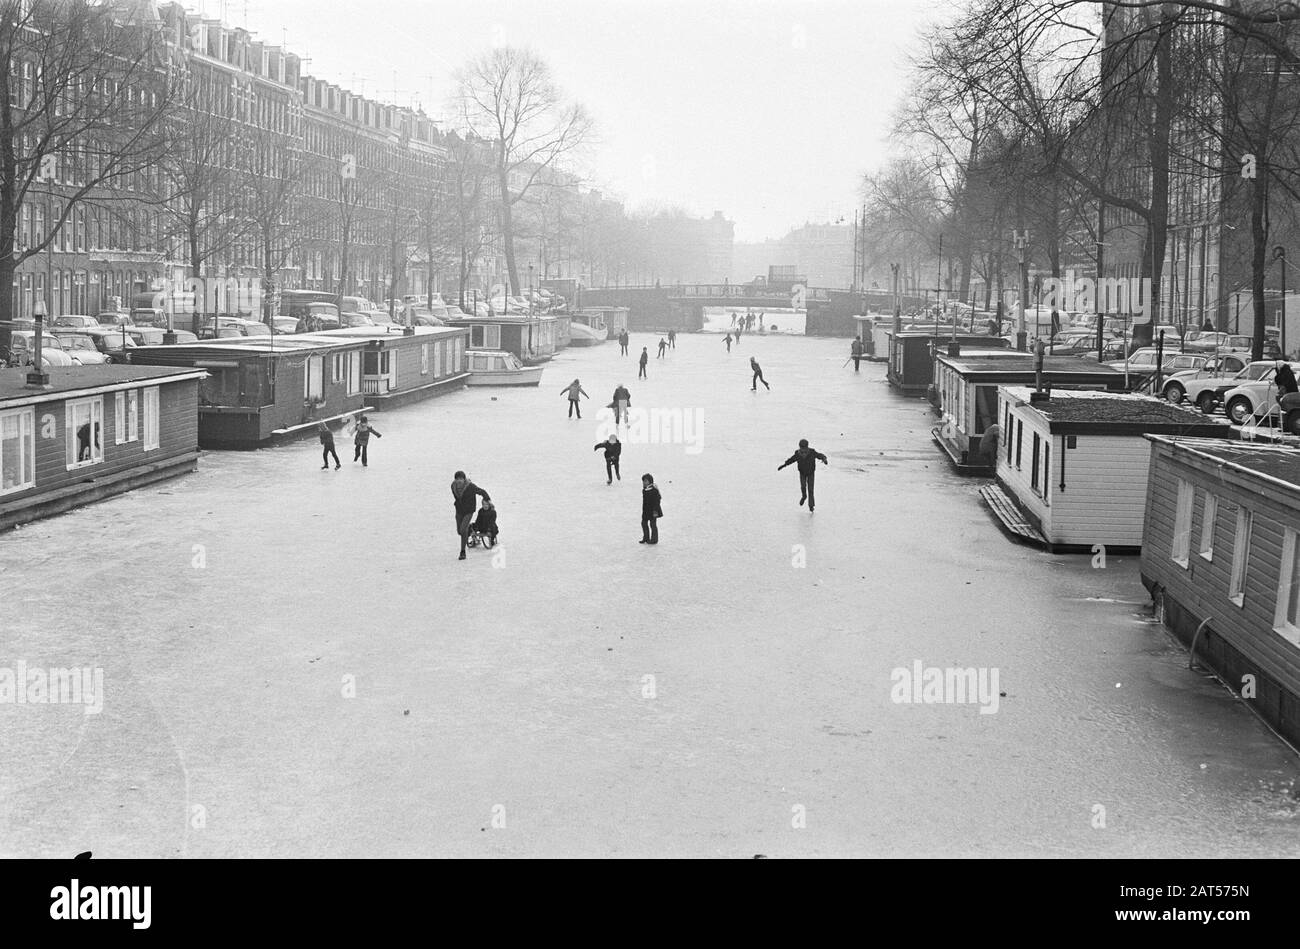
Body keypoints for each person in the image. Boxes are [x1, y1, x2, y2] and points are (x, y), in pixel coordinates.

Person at [777, 439, 829, 512]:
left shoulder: (812, 452)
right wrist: (784, 465)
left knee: (811, 490)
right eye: (801, 448)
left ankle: (811, 506)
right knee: (803, 486)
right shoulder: (797, 454)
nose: (803, 450)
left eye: (804, 448)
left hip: (811, 473)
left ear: (807, 447)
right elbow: (791, 460)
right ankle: (804, 496)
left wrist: (824, 459)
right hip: (802, 473)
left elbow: (819, 455)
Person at [451, 470, 491, 560]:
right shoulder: (453, 486)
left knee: (463, 529)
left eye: (461, 479)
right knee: (460, 532)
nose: (459, 481)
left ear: (464, 479)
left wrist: (488, 500)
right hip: (459, 510)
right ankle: (469, 528)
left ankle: (462, 552)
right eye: (457, 479)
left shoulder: (470, 486)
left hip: (469, 511)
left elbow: (482, 491)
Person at [639, 473, 662, 545]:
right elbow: (645, 502)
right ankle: (646, 537)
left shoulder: (654, 490)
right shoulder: (644, 490)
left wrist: (655, 512)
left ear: (650, 481)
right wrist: (643, 511)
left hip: (653, 511)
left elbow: (657, 501)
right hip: (646, 511)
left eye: (645, 481)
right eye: (643, 481)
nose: (644, 482)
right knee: (643, 523)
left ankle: (654, 539)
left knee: (652, 524)